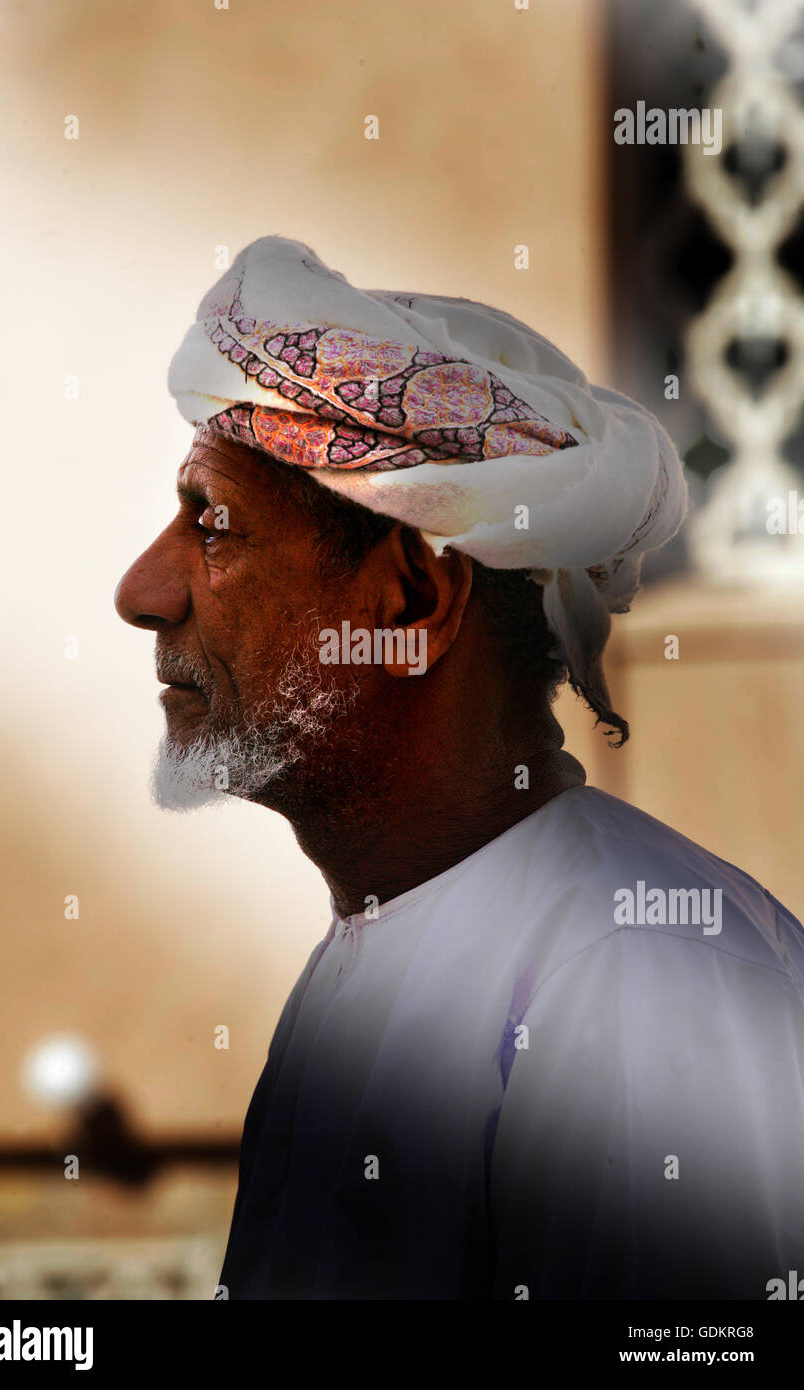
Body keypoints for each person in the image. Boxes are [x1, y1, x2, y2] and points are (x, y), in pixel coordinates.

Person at [115, 236, 804, 1299]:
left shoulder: (631, 977)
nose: (144, 590)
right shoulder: (381, 938)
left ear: (409, 605)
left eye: (214, 523)